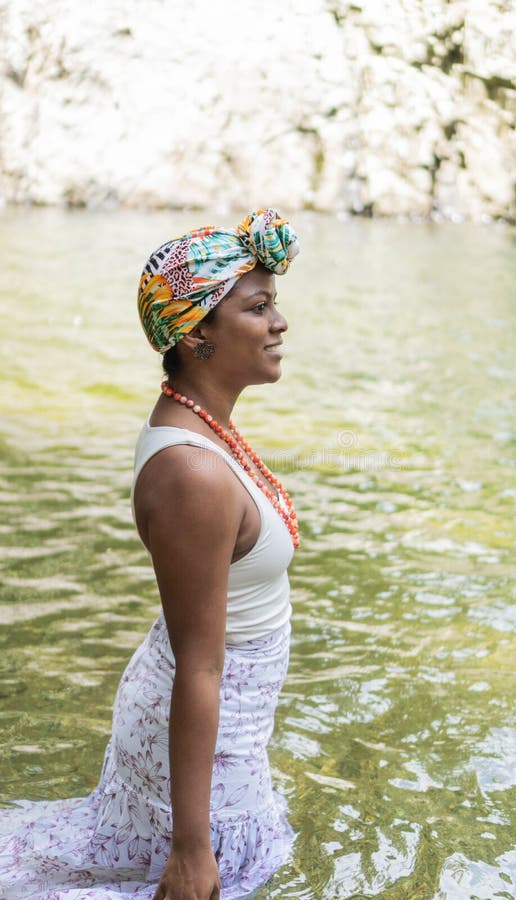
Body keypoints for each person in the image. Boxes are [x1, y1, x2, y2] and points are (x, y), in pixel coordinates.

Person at [0, 208, 300, 899]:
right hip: (201, 729)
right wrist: (191, 848)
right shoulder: (192, 473)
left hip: (214, 723)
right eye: (257, 308)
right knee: (199, 879)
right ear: (197, 333)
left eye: (275, 303)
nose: (279, 323)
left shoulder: (205, 430)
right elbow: (202, 664)